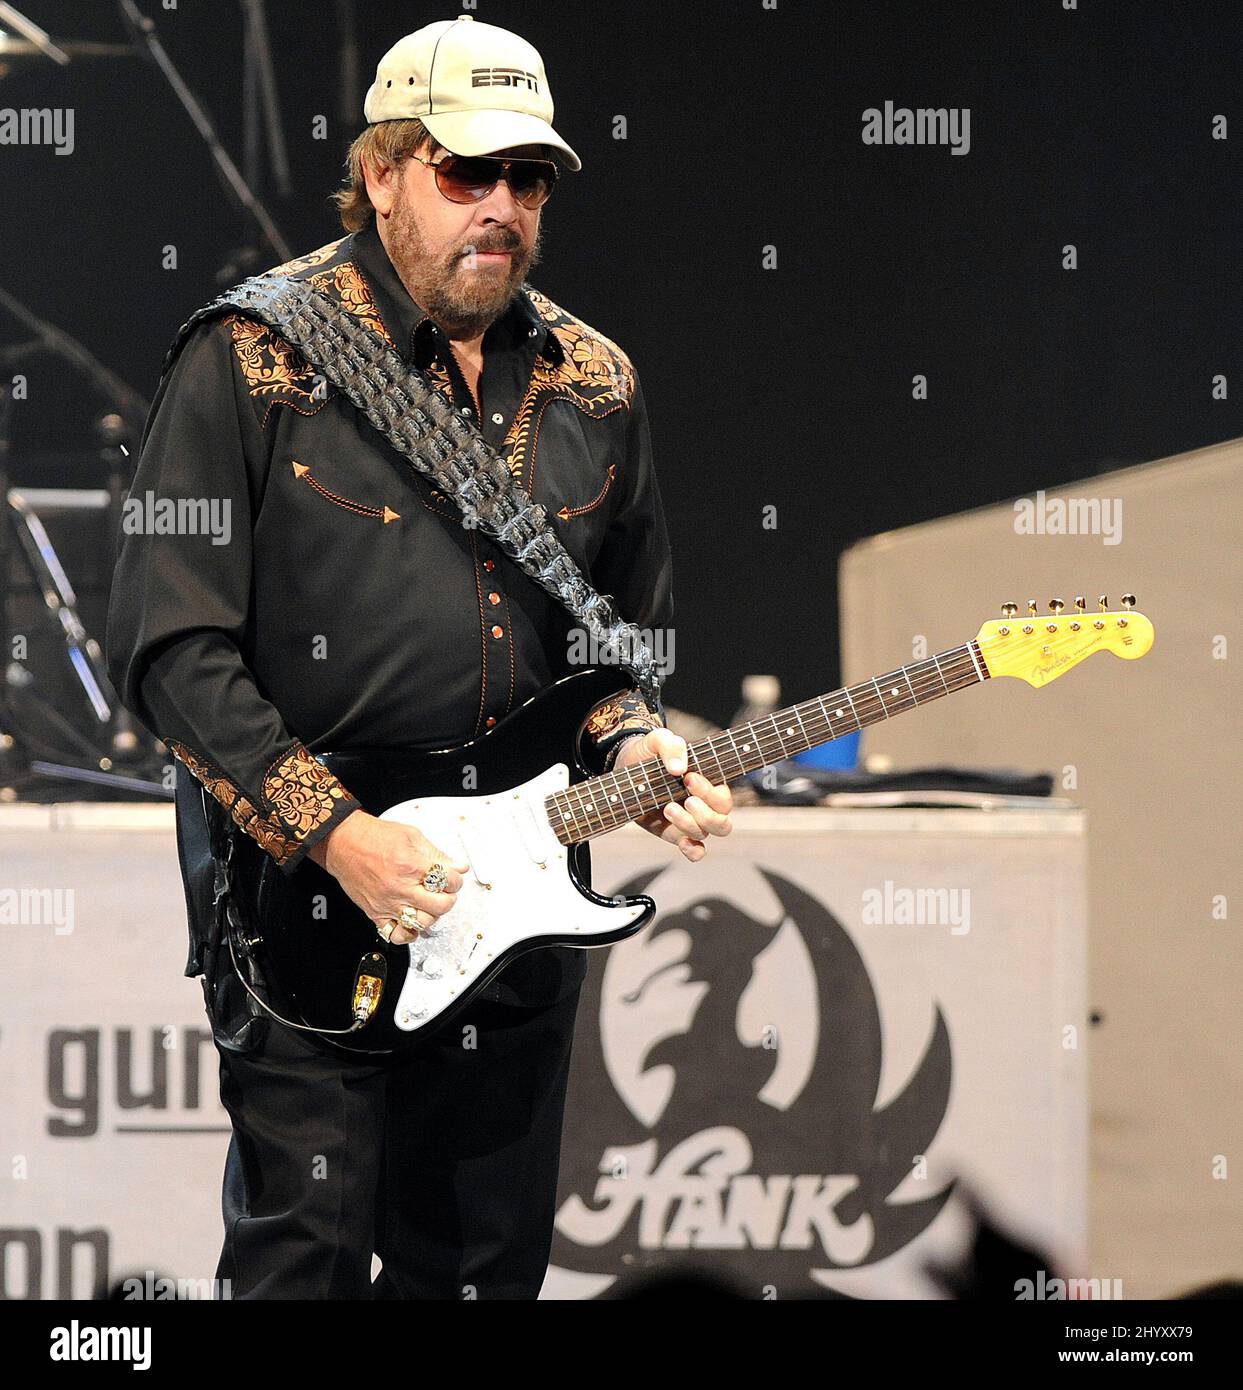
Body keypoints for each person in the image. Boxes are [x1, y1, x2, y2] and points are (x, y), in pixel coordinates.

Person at [105, 16, 733, 1299]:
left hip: (518, 912)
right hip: (311, 909)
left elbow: (614, 645)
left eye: (528, 179)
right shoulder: (251, 353)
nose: (501, 208)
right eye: (466, 173)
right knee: (307, 1269)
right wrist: (340, 834)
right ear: (383, 170)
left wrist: (637, 738)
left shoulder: (595, 381)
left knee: (485, 1272)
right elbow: (171, 650)